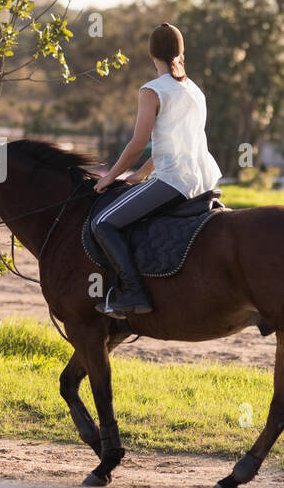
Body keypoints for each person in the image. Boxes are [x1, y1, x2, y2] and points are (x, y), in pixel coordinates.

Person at [90, 22, 222, 316]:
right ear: (180, 52)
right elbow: (178, 141)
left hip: (175, 181)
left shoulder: (152, 90)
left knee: (103, 223)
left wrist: (110, 176)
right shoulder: (194, 91)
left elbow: (138, 143)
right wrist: (143, 172)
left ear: (152, 56)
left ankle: (133, 292)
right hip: (203, 180)